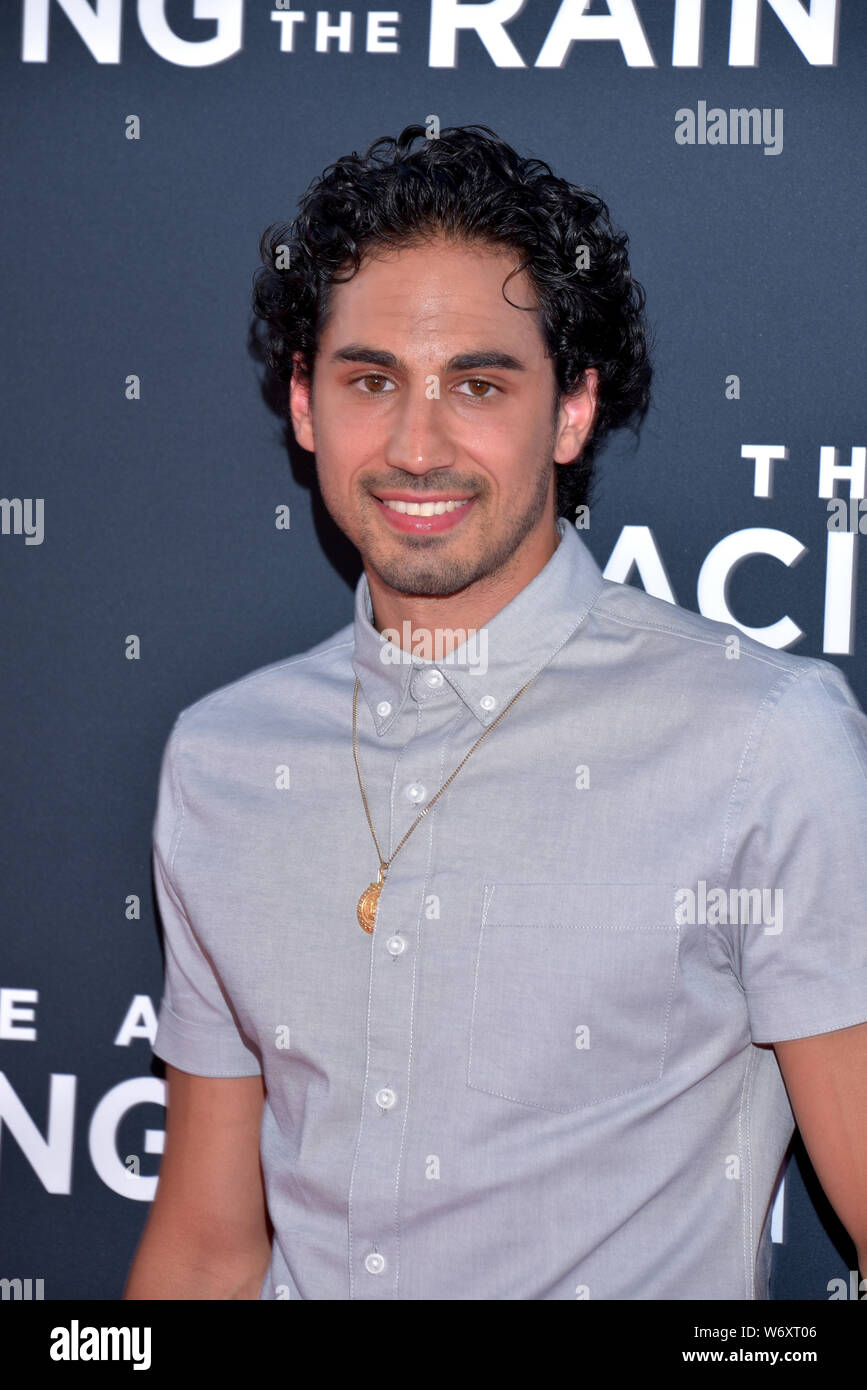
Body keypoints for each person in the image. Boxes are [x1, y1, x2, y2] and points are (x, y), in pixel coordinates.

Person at [124, 124, 867, 1301]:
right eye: (371, 381)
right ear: (304, 405)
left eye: (478, 384)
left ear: (571, 413)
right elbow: (211, 1243)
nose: (417, 446)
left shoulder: (760, 740)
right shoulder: (224, 757)